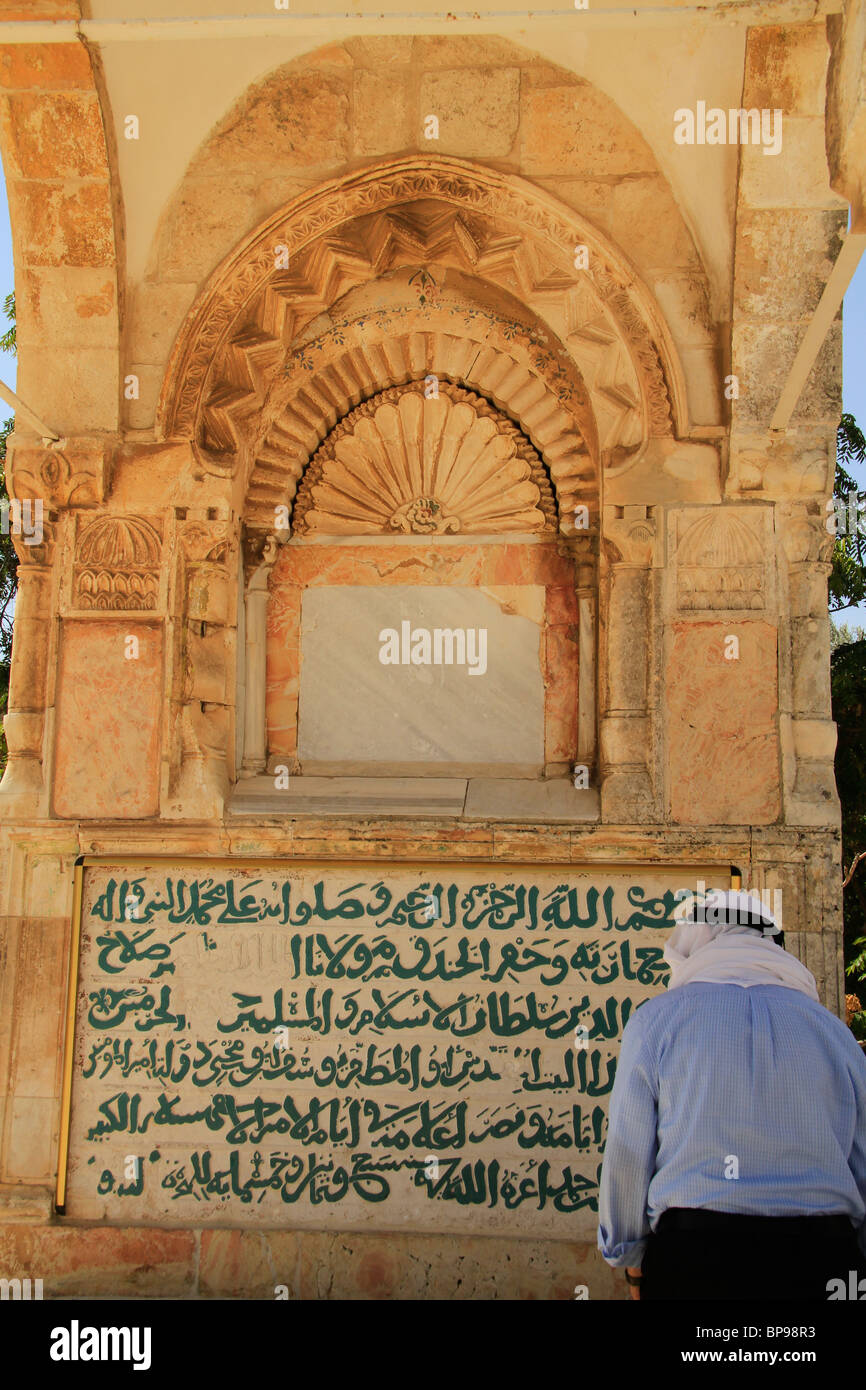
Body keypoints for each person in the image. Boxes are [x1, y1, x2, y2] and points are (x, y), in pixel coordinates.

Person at [597, 888, 866, 1300]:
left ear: (698, 940)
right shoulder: (833, 1033)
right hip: (826, 1258)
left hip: (696, 1260)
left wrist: (630, 1258)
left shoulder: (655, 1023)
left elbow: (628, 1151)